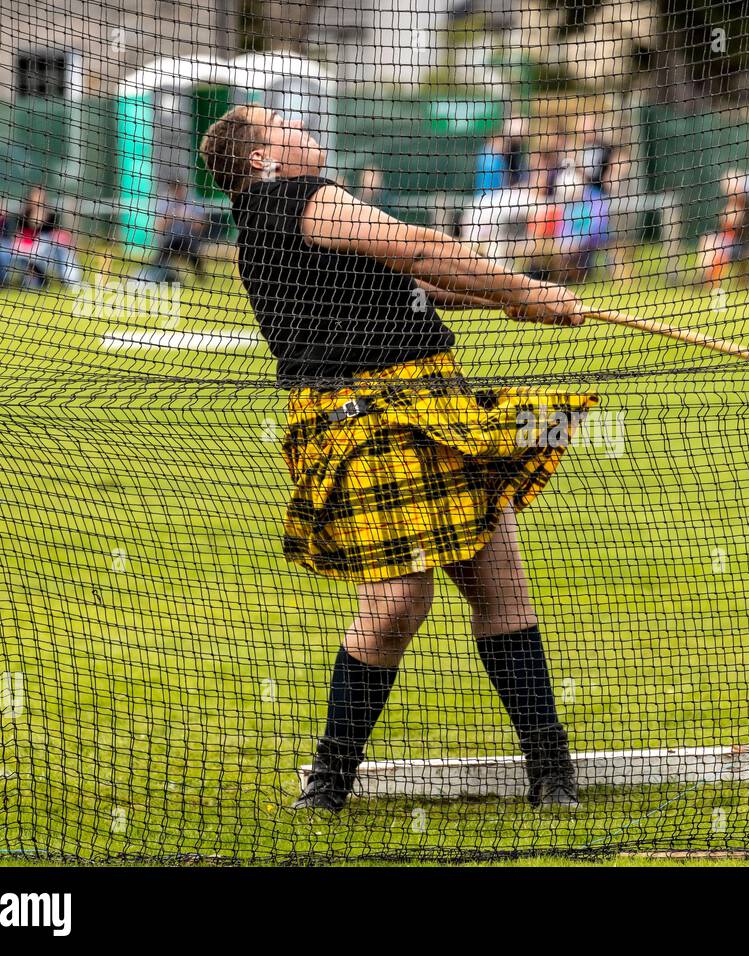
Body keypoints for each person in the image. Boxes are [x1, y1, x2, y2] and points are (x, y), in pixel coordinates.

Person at [198, 104, 595, 811]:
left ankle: (551, 771)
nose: (300, 125)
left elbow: (415, 287)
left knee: (495, 581)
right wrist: (527, 286)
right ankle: (330, 780)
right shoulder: (300, 196)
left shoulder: (279, 218)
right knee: (397, 602)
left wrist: (506, 303)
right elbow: (416, 247)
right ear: (261, 160)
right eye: (280, 124)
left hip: (427, 397)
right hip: (363, 417)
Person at [0, 185, 83, 289]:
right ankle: (34, 279)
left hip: (48, 249)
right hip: (28, 248)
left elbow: (55, 232)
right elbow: (33, 224)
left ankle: (72, 280)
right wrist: (37, 210)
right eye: (36, 195)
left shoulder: (51, 214)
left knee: (63, 250)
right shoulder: (24, 214)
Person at [696, 169, 749, 288]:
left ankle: (708, 281)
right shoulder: (726, 204)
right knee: (708, 239)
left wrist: (741, 222)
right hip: (729, 242)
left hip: (746, 244)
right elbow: (721, 230)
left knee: (715, 247)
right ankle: (705, 277)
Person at [141, 178, 208, 284]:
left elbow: (201, 226)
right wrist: (172, 215)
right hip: (170, 241)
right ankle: (152, 275)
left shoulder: (192, 203)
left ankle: (202, 279)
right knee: (160, 258)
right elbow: (158, 227)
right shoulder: (165, 203)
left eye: (179, 189)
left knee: (194, 256)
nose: (178, 192)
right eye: (175, 189)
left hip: (187, 241)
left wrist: (189, 218)